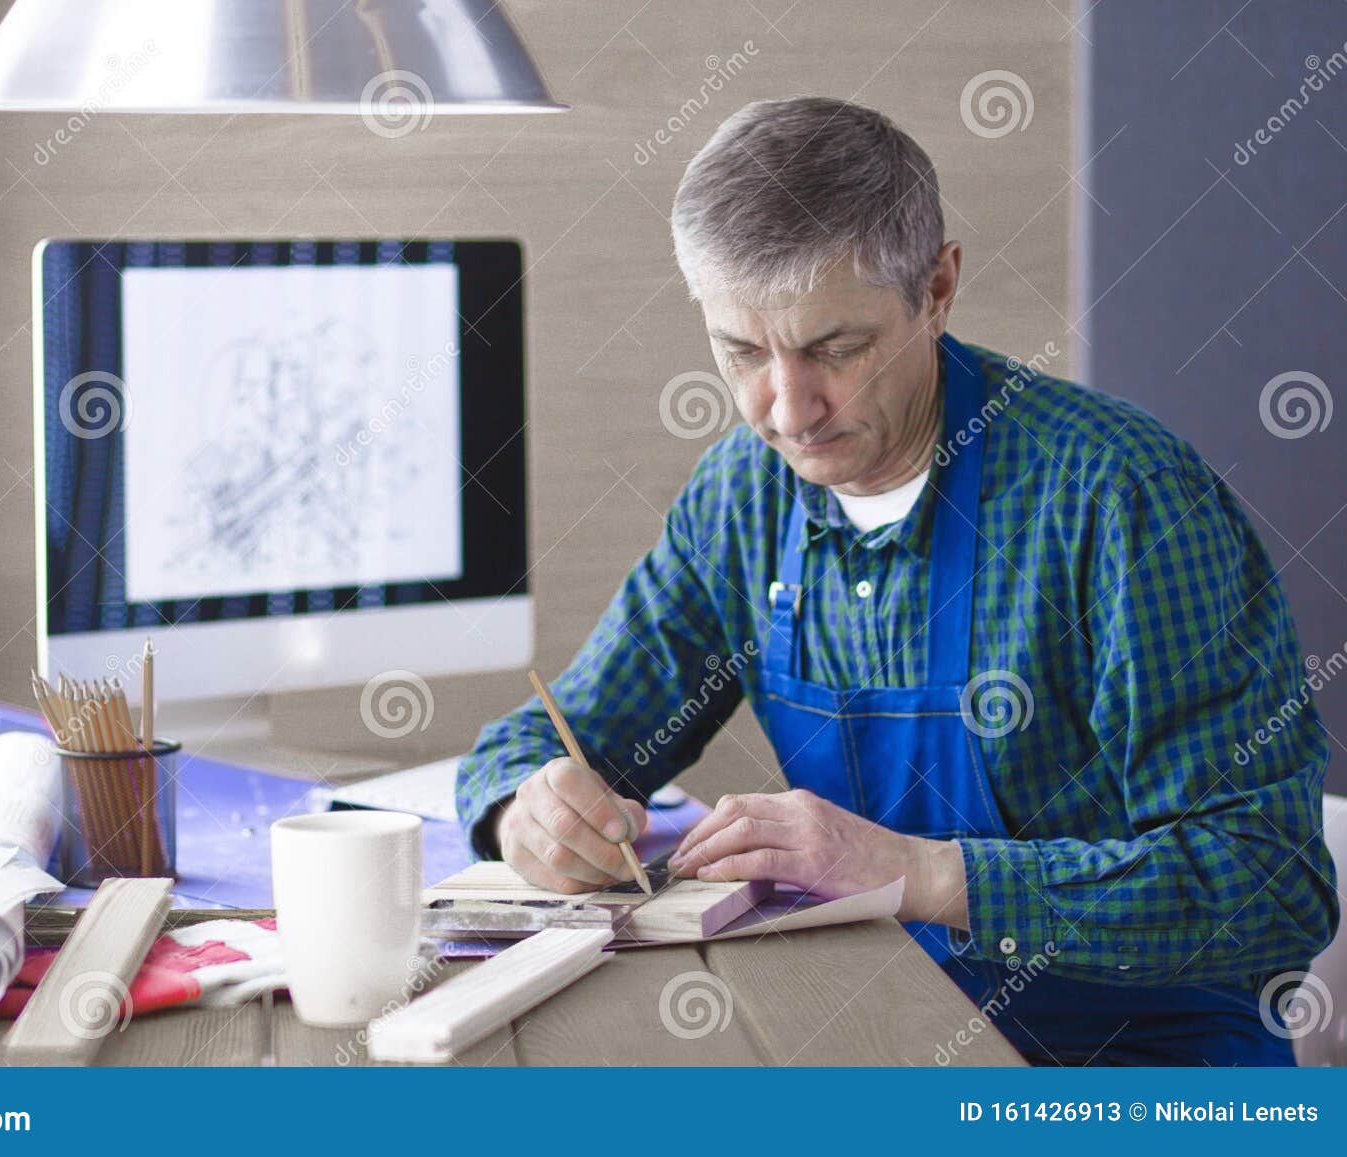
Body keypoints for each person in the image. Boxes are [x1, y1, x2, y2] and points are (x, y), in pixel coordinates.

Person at [454, 96, 1338, 1065]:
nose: (789, 411)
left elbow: (1271, 879)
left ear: (938, 287)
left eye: (836, 348)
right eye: (742, 352)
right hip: (882, 1042)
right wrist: (522, 808)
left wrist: (917, 872)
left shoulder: (1120, 501)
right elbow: (549, 733)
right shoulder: (743, 498)